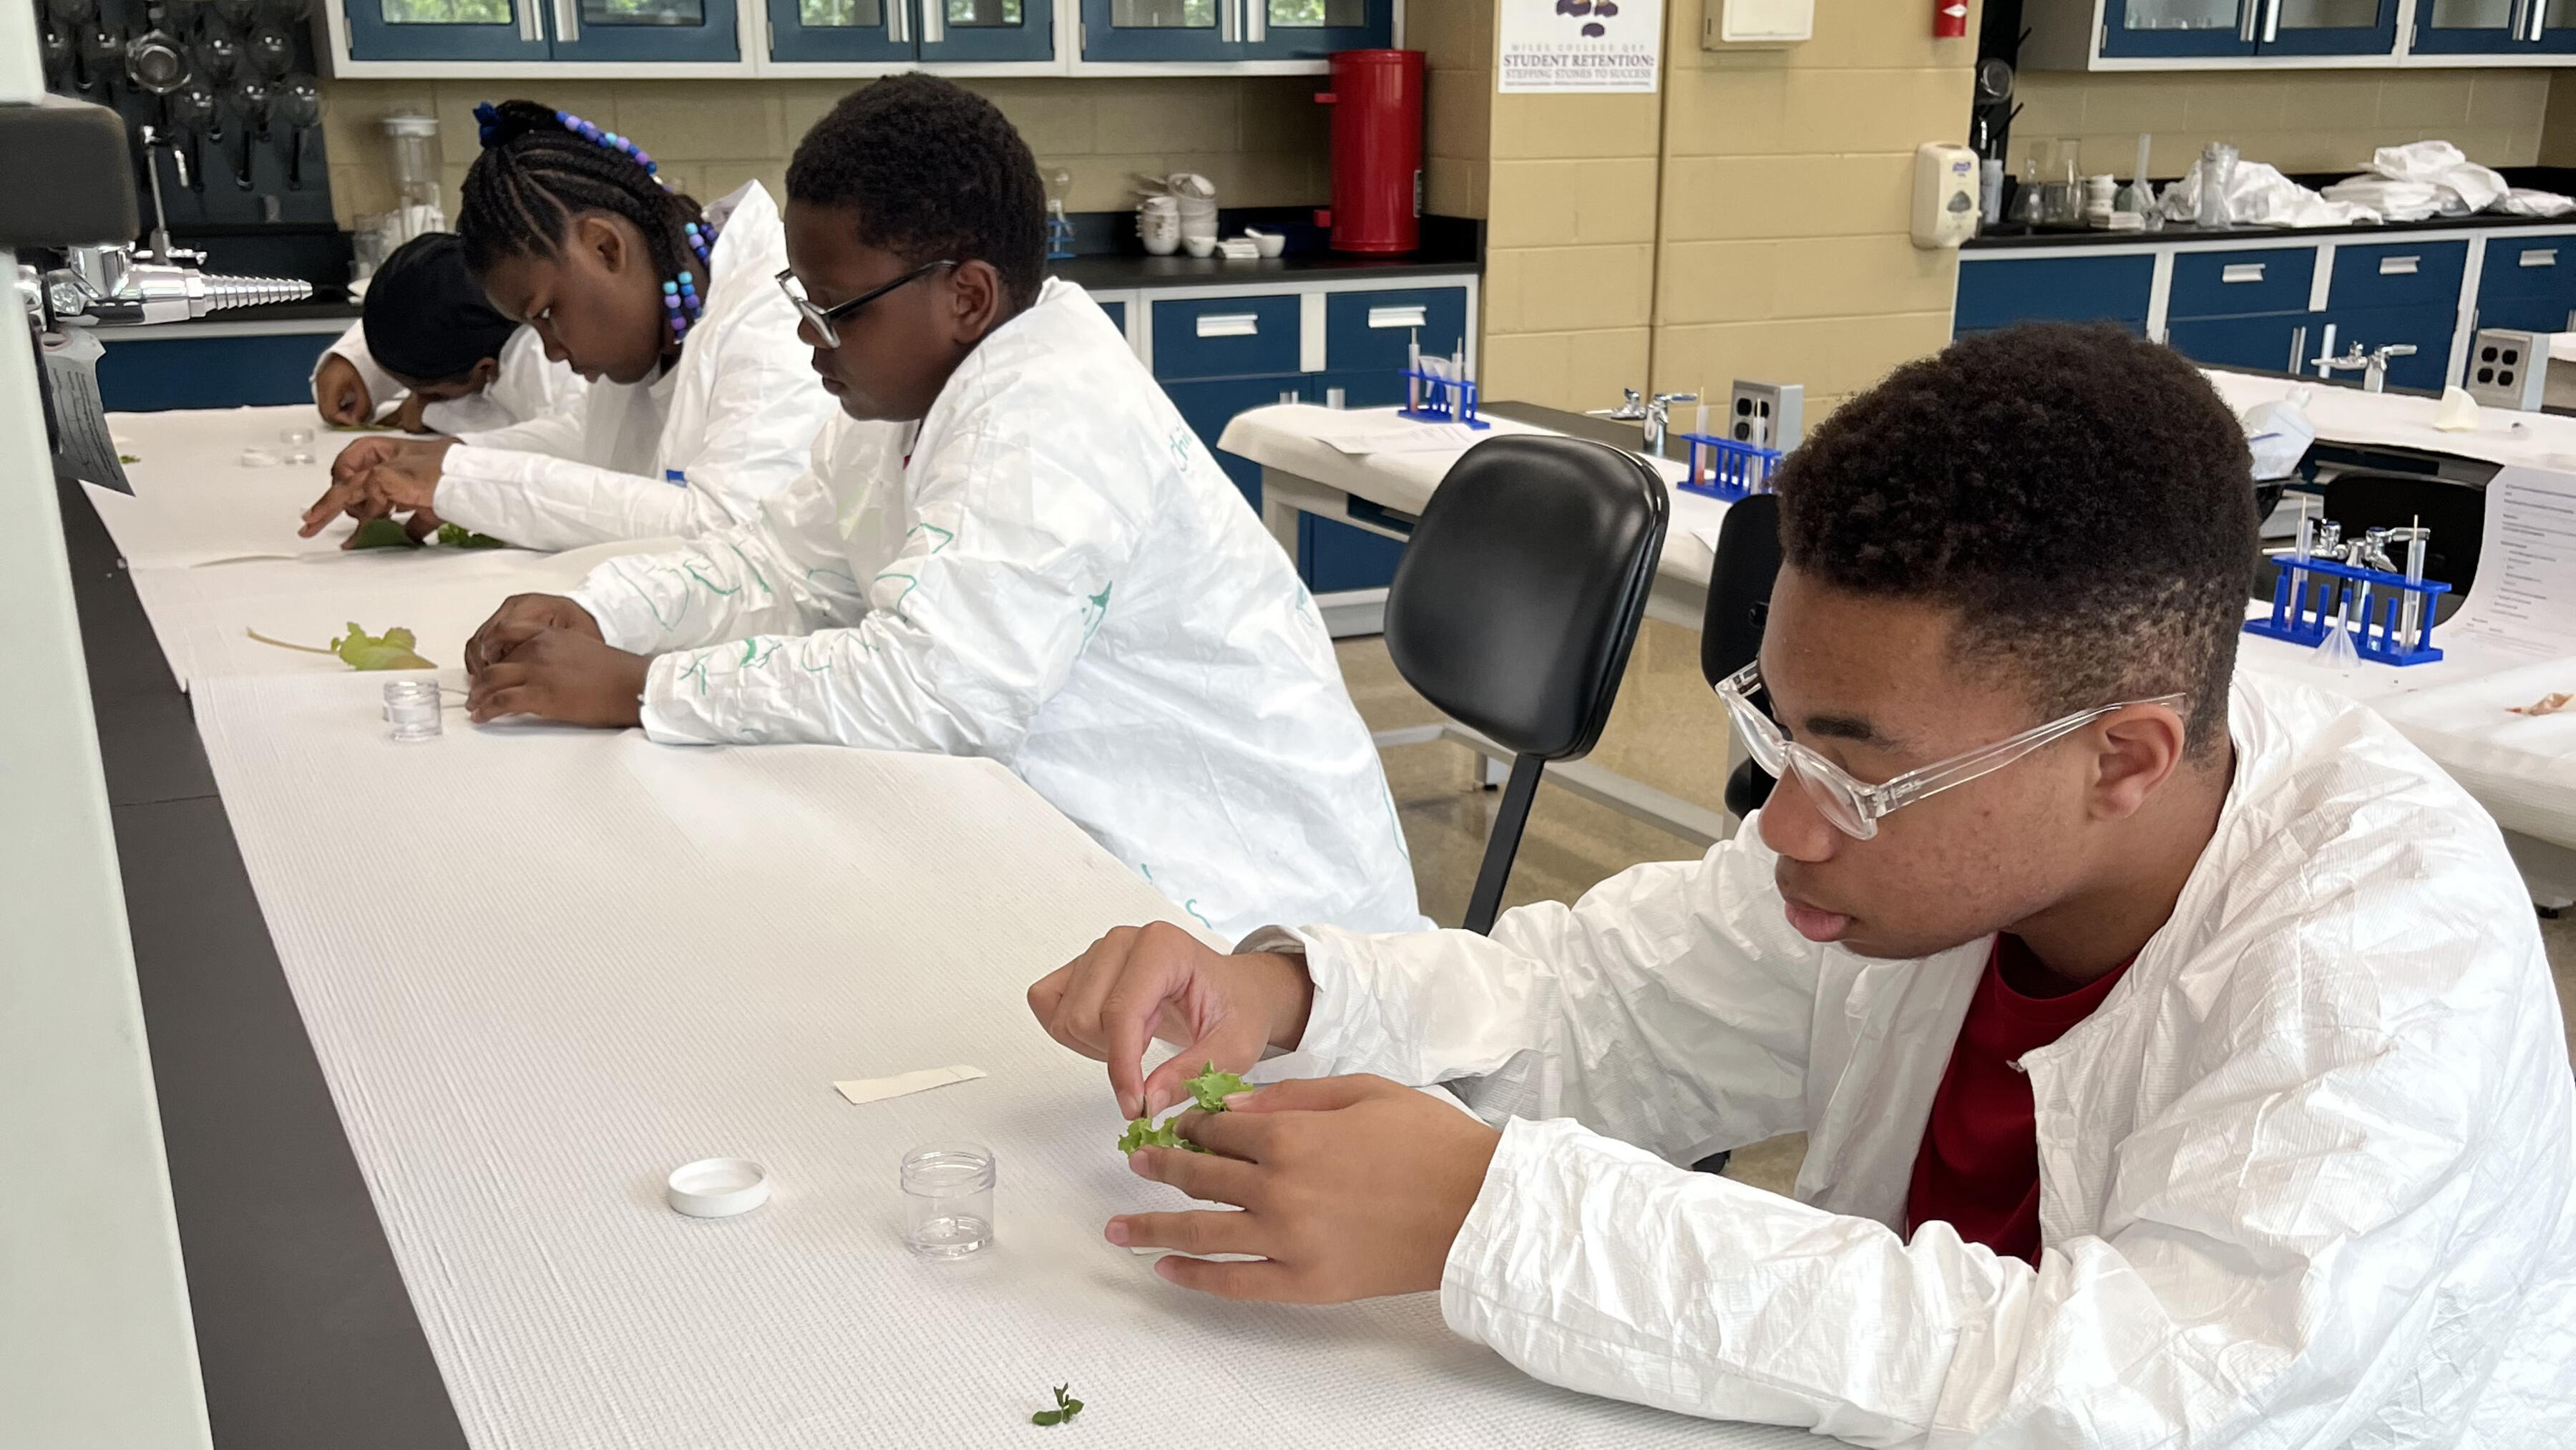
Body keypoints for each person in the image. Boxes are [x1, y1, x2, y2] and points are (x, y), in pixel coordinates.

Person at [1028, 324, 2576, 1442]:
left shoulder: (2378, 962)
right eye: (1775, 728)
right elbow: (1615, 996)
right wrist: (1292, 991)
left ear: (2124, 756)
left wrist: (1502, 1216)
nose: (1785, 825)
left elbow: (2133, 1389)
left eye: (1858, 772)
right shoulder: (1935, 845)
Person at [454, 75, 1420, 941]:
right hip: (1079, 858)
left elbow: (938, 685)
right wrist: (608, 611)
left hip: (1254, 915)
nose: (805, 332)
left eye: (833, 305)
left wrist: (637, 686)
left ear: (965, 295)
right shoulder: (900, 397)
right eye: (802, 293)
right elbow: (785, 566)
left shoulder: (1052, 417)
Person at [300, 101, 834, 551]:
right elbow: (590, 440)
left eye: (548, 314)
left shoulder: (775, 317)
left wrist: (466, 483)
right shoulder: (666, 319)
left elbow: (727, 529)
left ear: (606, 248)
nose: (553, 352)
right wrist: (445, 457)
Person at [310, 231, 586, 437]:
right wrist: (353, 361)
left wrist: (436, 413)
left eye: (436, 394)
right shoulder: (482, 279)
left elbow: (550, 437)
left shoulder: (542, 359)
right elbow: (423, 295)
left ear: (485, 369)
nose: (419, 398)